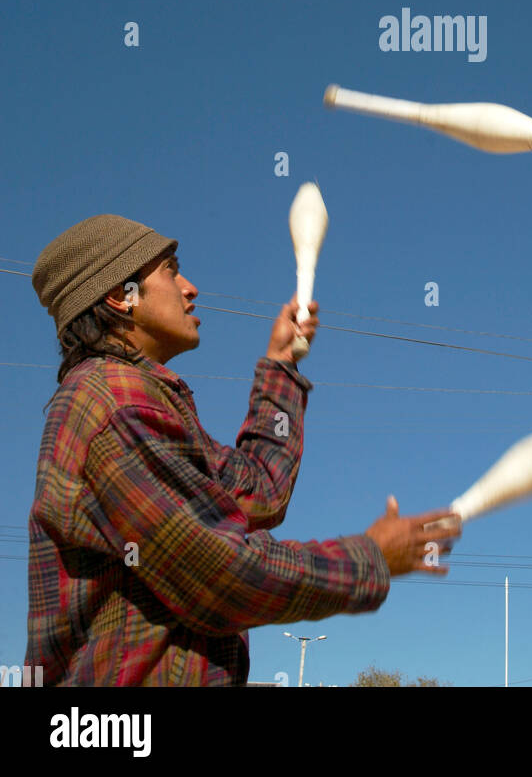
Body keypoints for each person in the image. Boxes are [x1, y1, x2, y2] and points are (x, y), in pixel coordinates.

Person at [26, 213, 459, 686]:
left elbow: (258, 491)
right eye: (171, 270)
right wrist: (371, 557)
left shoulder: (142, 405)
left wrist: (280, 365)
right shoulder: (114, 405)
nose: (190, 288)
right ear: (120, 297)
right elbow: (220, 575)